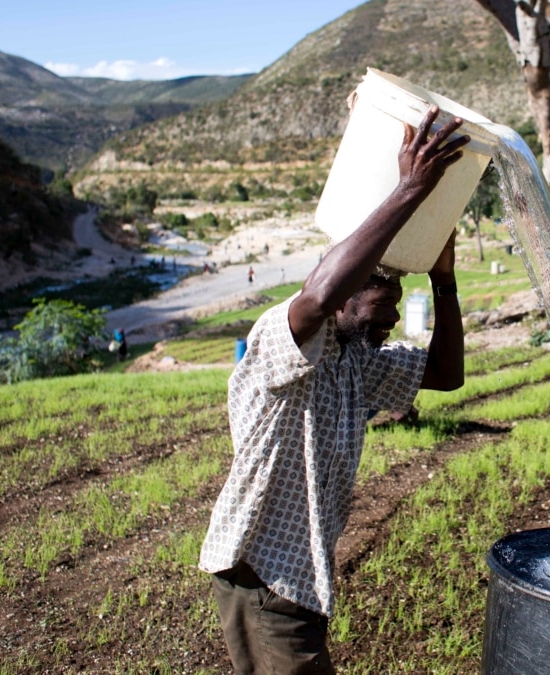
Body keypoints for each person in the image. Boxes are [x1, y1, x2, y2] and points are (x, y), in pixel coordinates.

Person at [199, 105, 469, 674]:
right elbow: (317, 297)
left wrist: (443, 280)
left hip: (297, 580)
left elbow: (446, 375)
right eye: (381, 304)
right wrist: (410, 189)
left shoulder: (356, 362)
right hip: (264, 576)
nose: (391, 319)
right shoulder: (280, 340)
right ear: (345, 295)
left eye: (396, 306)